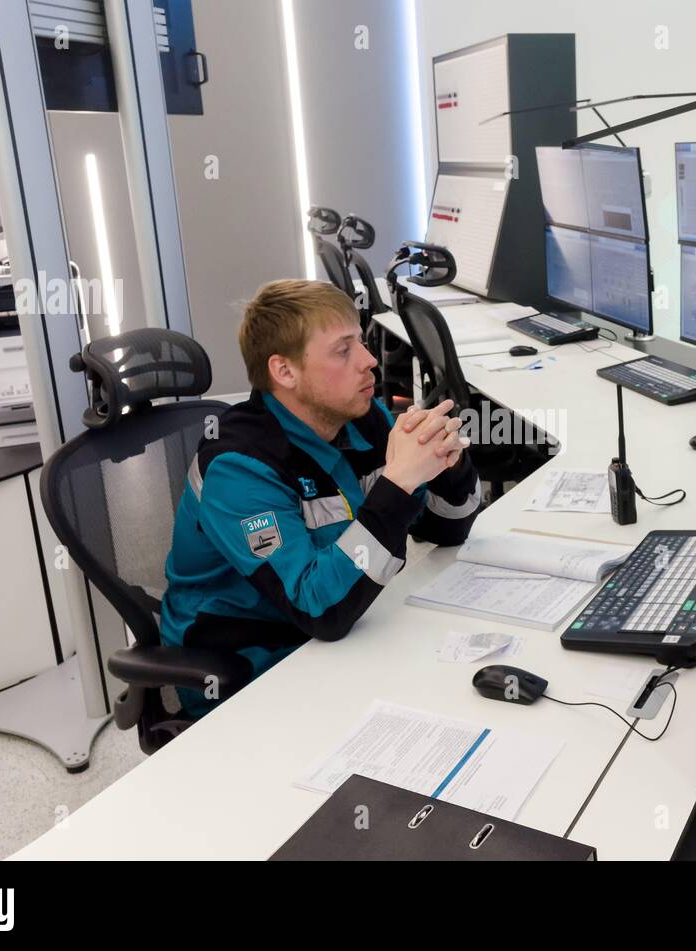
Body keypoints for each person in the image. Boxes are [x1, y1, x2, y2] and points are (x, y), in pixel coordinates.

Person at [159, 279, 481, 715]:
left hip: (343, 630)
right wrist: (398, 485)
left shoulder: (362, 421)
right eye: (343, 350)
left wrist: (447, 464)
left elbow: (446, 529)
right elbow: (318, 609)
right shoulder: (239, 469)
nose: (369, 361)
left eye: (362, 342)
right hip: (249, 664)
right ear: (284, 371)